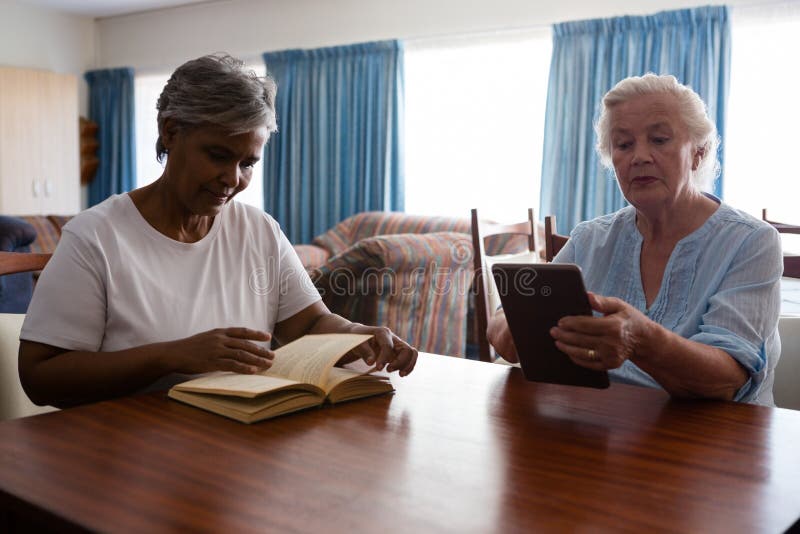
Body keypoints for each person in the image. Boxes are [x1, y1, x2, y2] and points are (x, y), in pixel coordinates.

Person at [18, 54, 417, 408]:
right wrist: (170, 355)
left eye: (248, 163)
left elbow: (309, 323)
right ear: (170, 131)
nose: (232, 179)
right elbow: (40, 377)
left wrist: (355, 334)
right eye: (218, 155)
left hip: (236, 439)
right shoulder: (96, 238)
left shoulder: (258, 230)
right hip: (126, 450)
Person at [488, 73, 782, 405]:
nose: (639, 156)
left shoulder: (752, 242)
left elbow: (726, 381)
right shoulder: (590, 239)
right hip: (605, 428)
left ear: (699, 152)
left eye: (659, 139)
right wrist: (514, 330)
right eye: (624, 144)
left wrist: (641, 339)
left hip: (718, 437)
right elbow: (500, 323)